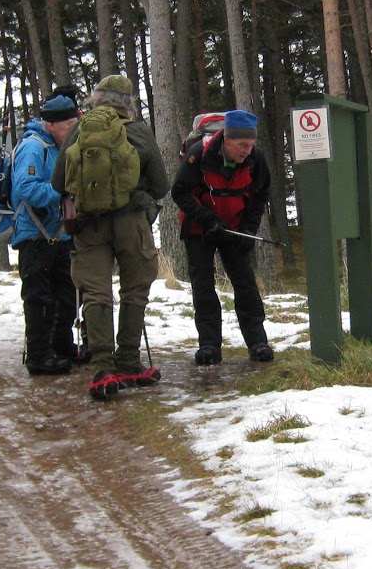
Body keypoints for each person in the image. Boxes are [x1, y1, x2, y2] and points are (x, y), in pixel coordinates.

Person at [50, 74, 171, 400]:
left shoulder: (79, 130)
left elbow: (58, 183)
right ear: (127, 102)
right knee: (134, 291)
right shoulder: (140, 132)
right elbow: (161, 186)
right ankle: (129, 361)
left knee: (96, 294)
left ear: (96, 99)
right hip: (132, 223)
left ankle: (102, 369)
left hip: (89, 226)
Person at [171, 108, 274, 365]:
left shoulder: (255, 160)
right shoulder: (198, 156)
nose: (246, 151)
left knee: (245, 283)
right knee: (203, 285)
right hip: (199, 229)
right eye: (242, 145)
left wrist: (249, 229)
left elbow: (261, 194)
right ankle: (209, 346)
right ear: (226, 139)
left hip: (236, 228)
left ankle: (258, 342)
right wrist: (207, 219)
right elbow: (180, 192)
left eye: (250, 145)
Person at [11, 94, 81, 376]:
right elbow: (25, 189)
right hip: (34, 237)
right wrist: (62, 191)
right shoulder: (33, 147)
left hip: (60, 236)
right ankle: (39, 356)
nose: (73, 130)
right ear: (50, 125)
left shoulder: (58, 146)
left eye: (75, 124)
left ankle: (62, 347)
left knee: (67, 294)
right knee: (39, 299)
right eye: (68, 125)